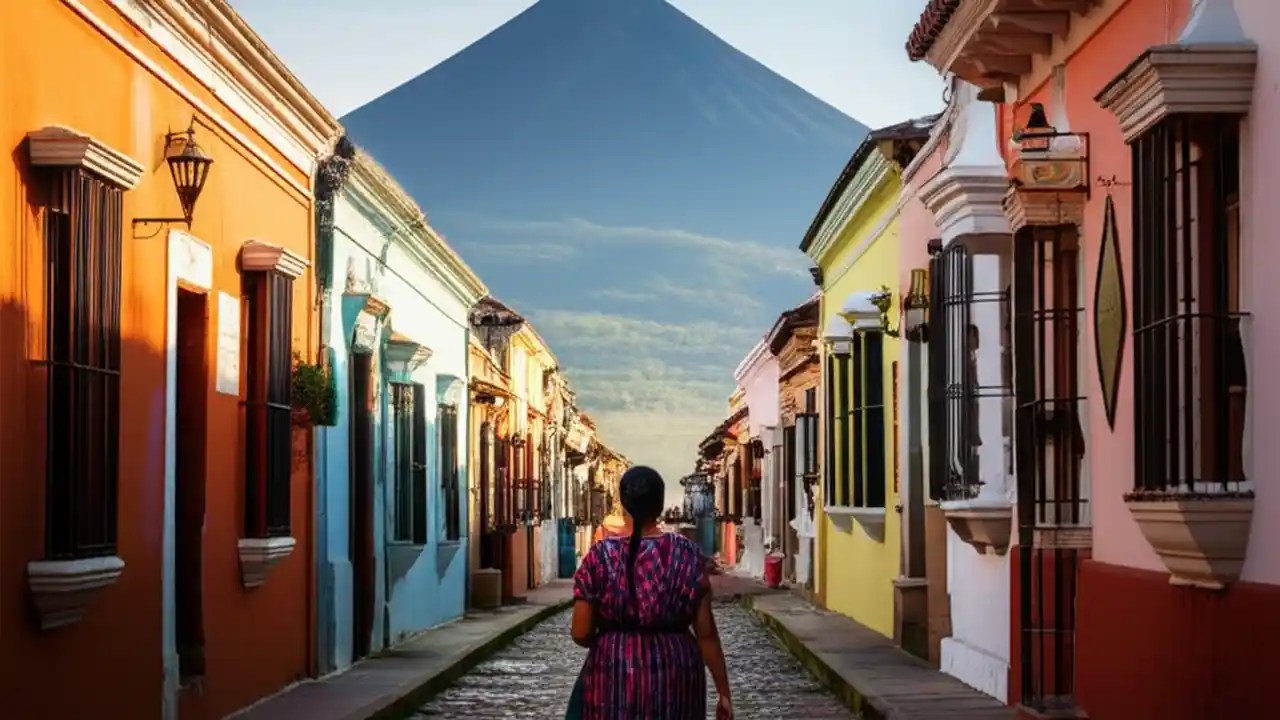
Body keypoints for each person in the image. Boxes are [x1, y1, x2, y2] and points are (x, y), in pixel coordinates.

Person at [569, 466, 733, 720]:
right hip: (677, 677)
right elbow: (706, 633)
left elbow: (580, 632)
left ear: (623, 502)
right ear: (660, 504)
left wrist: (616, 640)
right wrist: (724, 693)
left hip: (612, 677)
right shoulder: (687, 553)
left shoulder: (600, 557)